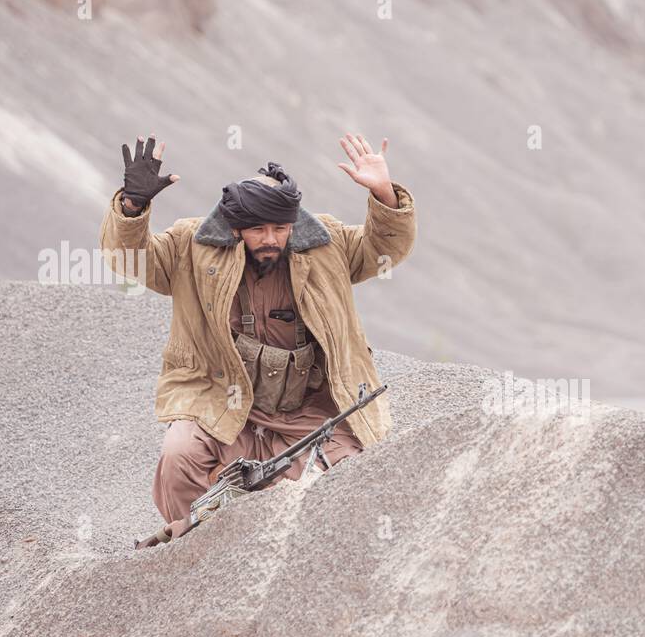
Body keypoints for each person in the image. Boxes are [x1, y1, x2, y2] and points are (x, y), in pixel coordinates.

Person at [99, 133, 416, 544]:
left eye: (280, 228)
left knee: (349, 486)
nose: (269, 239)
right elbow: (130, 260)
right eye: (258, 229)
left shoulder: (327, 244)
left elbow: (383, 248)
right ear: (235, 228)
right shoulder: (191, 247)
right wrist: (133, 206)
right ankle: (197, 549)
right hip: (223, 404)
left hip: (310, 409)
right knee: (179, 456)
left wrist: (385, 195)